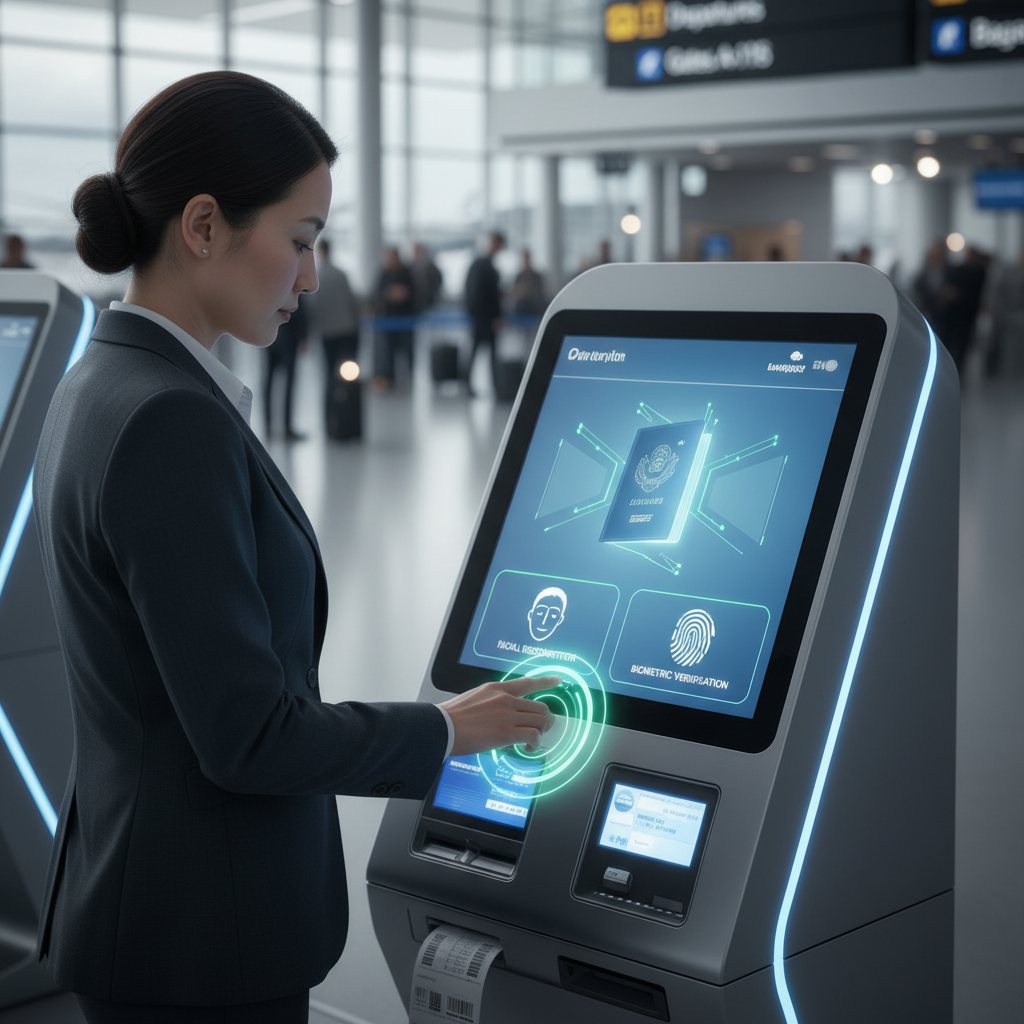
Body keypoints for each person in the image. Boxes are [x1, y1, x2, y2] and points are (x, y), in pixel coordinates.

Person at [33, 71, 553, 1024]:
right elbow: (248, 737)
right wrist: (445, 731)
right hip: (205, 939)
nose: (310, 278)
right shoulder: (169, 422)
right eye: (302, 240)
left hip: (149, 906)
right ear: (202, 226)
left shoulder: (97, 383)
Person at [312, 239, 359, 409]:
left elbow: (313, 309)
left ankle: (330, 409)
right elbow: (352, 303)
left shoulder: (317, 277)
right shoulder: (341, 275)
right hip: (346, 330)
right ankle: (347, 407)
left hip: (327, 332)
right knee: (348, 372)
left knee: (329, 373)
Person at [463, 231, 505, 394]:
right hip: (484, 318)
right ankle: (481, 385)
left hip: (482, 317)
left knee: (485, 353)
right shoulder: (483, 266)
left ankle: (495, 386)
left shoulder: (484, 265)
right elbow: (484, 295)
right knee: (480, 352)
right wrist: (493, 316)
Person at [263, 291, 308, 440]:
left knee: (269, 381)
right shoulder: (293, 288)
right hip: (289, 339)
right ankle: (287, 427)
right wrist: (303, 336)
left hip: (270, 339)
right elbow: (300, 311)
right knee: (289, 383)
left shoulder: (270, 287)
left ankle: (268, 425)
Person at [373, 245, 415, 390]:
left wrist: (404, 294)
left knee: (408, 351)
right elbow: (378, 294)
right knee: (388, 352)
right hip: (388, 320)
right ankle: (390, 379)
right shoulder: (384, 274)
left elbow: (415, 293)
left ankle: (409, 377)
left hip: (405, 320)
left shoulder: (407, 273)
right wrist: (389, 295)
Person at [509, 249, 545, 318]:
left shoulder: (537, 276)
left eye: (527, 258)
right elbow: (515, 292)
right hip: (521, 308)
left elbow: (541, 293)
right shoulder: (519, 276)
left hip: (534, 308)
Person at [410, 241, 443, 315]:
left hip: (430, 302)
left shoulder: (431, 268)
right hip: (414, 303)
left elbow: (438, 282)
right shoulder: (409, 268)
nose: (417, 254)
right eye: (416, 251)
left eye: (419, 251)